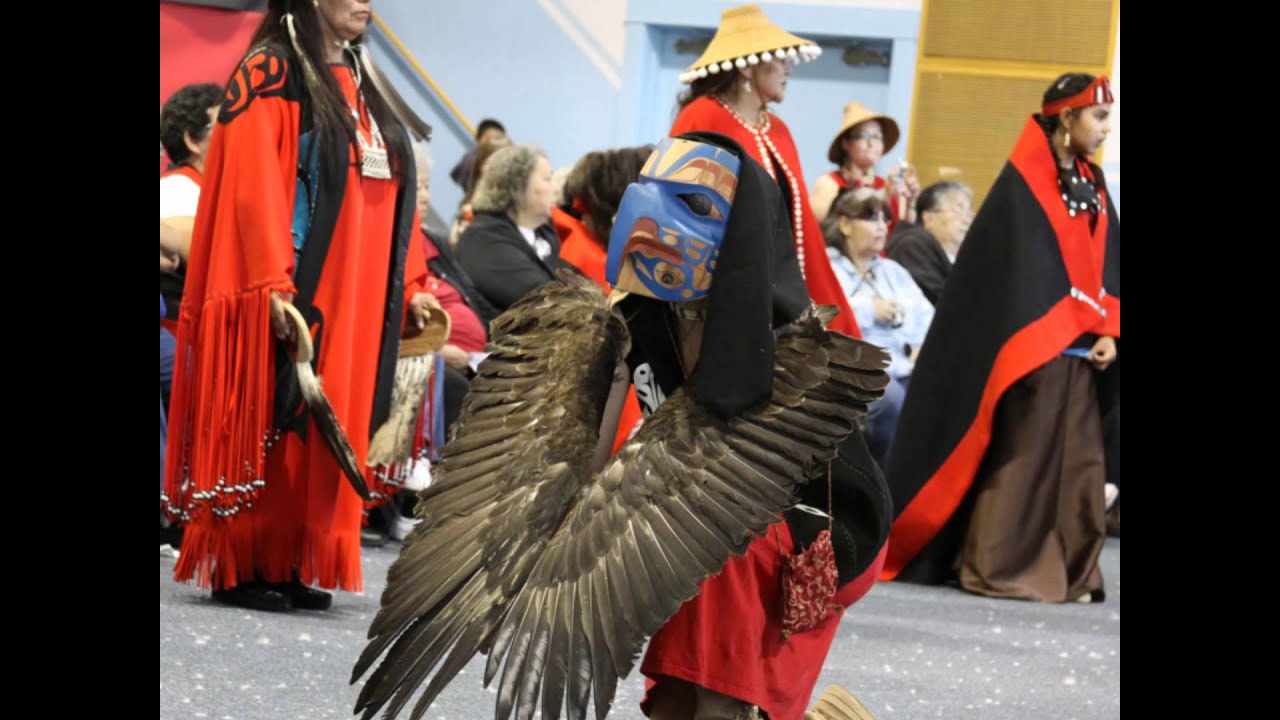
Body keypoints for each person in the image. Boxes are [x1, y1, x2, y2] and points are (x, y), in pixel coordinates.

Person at [352, 132, 894, 720]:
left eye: (691, 204)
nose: (653, 216)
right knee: (668, 547)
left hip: (828, 530)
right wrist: (524, 533)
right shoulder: (635, 318)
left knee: (702, 555)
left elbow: (696, 487)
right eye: (649, 190)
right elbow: (579, 462)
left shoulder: (782, 348)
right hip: (719, 513)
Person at [162, 0, 434, 612]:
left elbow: (393, 188)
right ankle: (245, 558)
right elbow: (254, 190)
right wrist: (270, 284)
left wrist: (412, 282)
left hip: (360, 291)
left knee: (326, 421)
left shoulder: (362, 77)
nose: (365, 3)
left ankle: (288, 559)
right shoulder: (271, 72)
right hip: (299, 284)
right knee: (279, 413)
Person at [880, 73, 1119, 604]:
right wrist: (1049, 334)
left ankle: (1068, 572)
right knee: (1025, 463)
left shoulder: (1093, 183)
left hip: (1080, 351)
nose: (1106, 127)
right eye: (1098, 116)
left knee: (1078, 466)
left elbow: (1107, 265)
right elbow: (1016, 279)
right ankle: (1000, 566)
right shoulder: (1023, 185)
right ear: (1066, 118)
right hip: (1032, 353)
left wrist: (1109, 328)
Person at [669, 3, 860, 339]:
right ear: (746, 68)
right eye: (780, 58)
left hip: (785, 289)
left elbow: (800, 223)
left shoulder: (778, 129)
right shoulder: (702, 117)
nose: (788, 68)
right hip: (728, 289)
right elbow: (682, 210)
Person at [824, 189, 933, 467]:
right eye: (871, 217)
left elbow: (925, 315)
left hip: (903, 363)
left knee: (942, 388)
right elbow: (820, 315)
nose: (882, 226)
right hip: (852, 365)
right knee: (890, 401)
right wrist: (868, 311)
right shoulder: (827, 267)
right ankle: (880, 477)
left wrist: (922, 345)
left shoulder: (893, 270)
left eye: (886, 219)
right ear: (845, 224)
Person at [455, 144, 560, 314]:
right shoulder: (484, 240)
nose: (556, 190)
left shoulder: (545, 233)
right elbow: (544, 302)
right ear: (518, 186)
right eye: (547, 179)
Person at [809, 101, 919, 229]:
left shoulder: (887, 184)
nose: (871, 143)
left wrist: (911, 202)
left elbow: (903, 234)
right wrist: (885, 195)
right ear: (845, 143)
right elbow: (827, 229)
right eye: (864, 136)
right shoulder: (829, 183)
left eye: (878, 137)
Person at [884, 181, 973, 305]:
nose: (967, 220)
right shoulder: (911, 247)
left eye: (969, 212)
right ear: (929, 218)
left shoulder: (964, 255)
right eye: (958, 210)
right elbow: (938, 301)